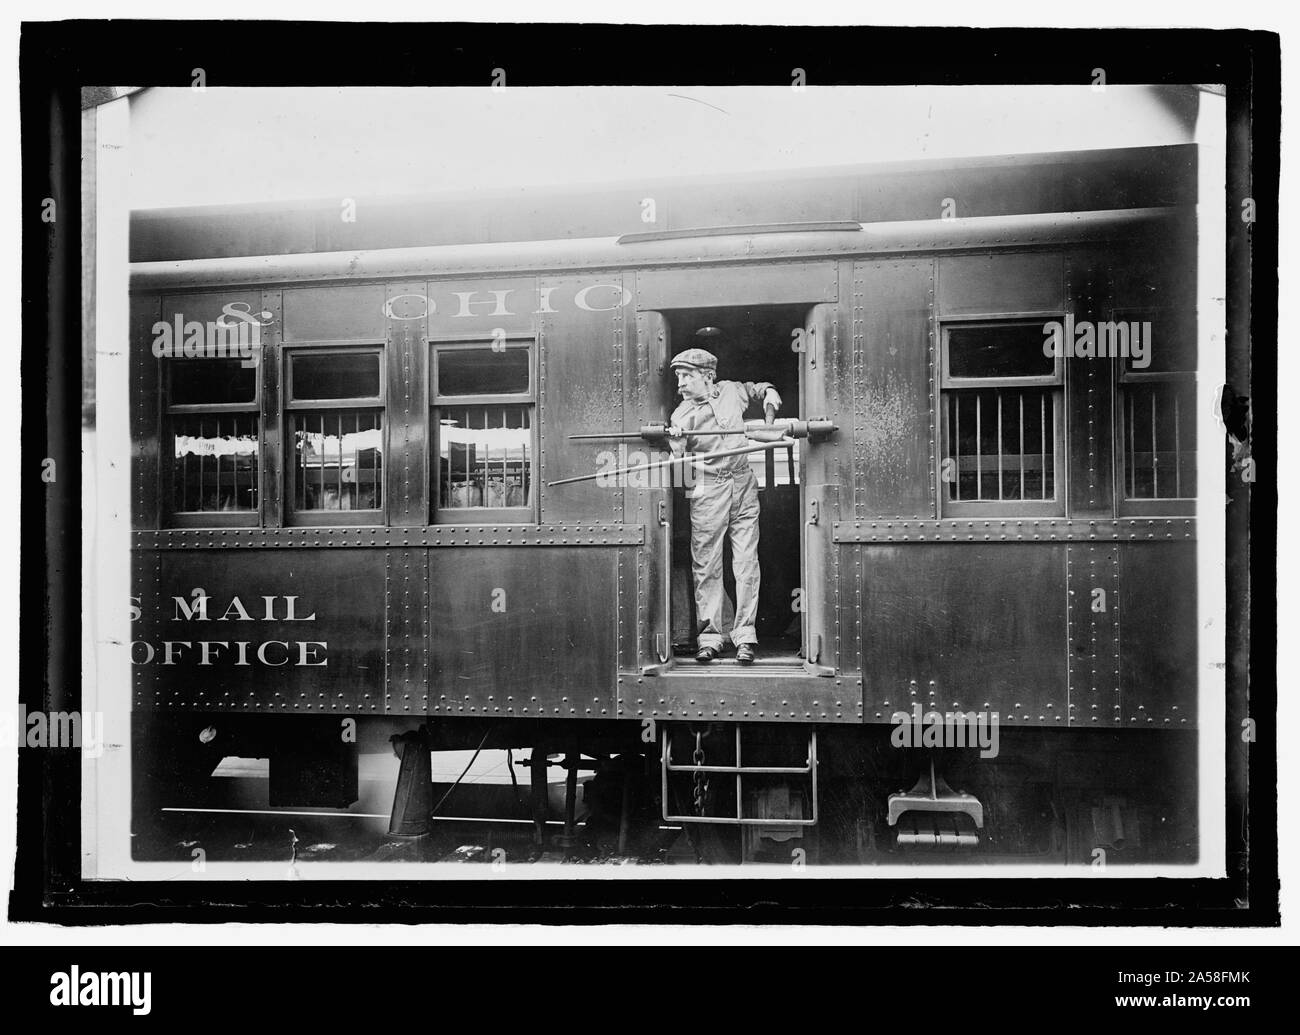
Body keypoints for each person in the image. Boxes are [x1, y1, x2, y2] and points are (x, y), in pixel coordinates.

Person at [666, 349, 781, 664]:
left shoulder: (732, 390)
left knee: (746, 563)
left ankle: (744, 637)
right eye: (678, 377)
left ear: (707, 375)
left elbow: (758, 389)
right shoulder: (680, 416)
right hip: (707, 492)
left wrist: (769, 395)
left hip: (743, 485)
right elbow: (681, 471)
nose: (680, 384)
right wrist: (676, 445)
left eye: (686, 376)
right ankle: (711, 638)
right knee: (707, 566)